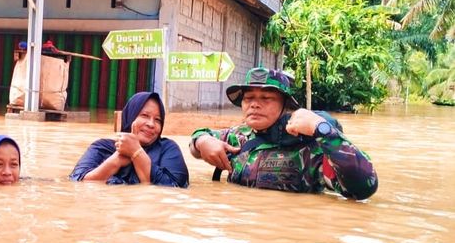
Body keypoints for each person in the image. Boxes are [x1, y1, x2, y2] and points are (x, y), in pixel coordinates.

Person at [189, 67, 378, 200]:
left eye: (266, 98)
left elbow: (363, 188)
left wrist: (324, 131)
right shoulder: (238, 135)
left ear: (286, 106)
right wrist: (202, 141)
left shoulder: (311, 146)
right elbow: (197, 140)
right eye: (248, 98)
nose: (254, 104)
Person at [70, 92, 189, 187]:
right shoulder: (102, 147)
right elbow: (78, 183)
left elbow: (175, 189)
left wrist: (136, 152)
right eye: (145, 116)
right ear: (130, 116)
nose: (151, 124)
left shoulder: (168, 149)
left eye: (158, 120)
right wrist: (116, 159)